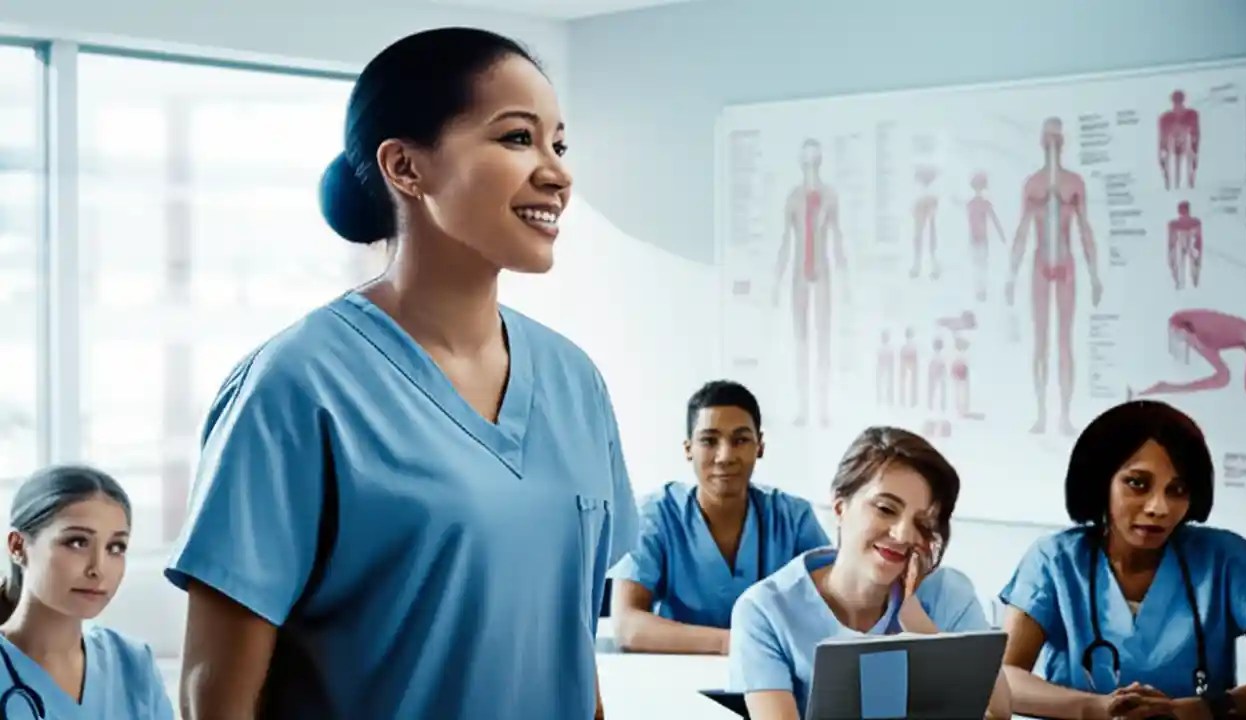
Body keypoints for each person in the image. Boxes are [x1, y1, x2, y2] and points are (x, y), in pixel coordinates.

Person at [163, 27, 639, 720]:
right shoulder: (296, 388)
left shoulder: (576, 383)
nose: (556, 173)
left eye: (558, 145)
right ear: (406, 168)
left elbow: (567, 648)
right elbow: (215, 698)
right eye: (516, 138)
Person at [999, 400, 1246, 720]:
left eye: (1177, 489)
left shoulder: (1226, 558)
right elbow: (1004, 675)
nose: (1159, 507)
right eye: (1138, 483)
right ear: (1099, 480)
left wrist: (1202, 709)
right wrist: (1098, 707)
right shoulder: (1054, 561)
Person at [728, 426, 1010, 720]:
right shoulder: (765, 611)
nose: (902, 534)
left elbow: (997, 712)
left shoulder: (948, 594)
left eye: (922, 521)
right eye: (886, 509)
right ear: (840, 507)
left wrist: (921, 627)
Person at [608, 381, 829, 655]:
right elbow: (627, 626)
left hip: (776, 677)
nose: (725, 456)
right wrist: (735, 643)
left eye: (740, 440)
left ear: (760, 446)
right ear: (688, 448)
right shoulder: (656, 515)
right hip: (677, 678)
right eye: (709, 441)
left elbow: (835, 610)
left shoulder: (793, 519)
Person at [0, 465, 173, 719]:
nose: (98, 569)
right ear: (18, 547)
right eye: (77, 542)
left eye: (115, 547)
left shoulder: (133, 666)